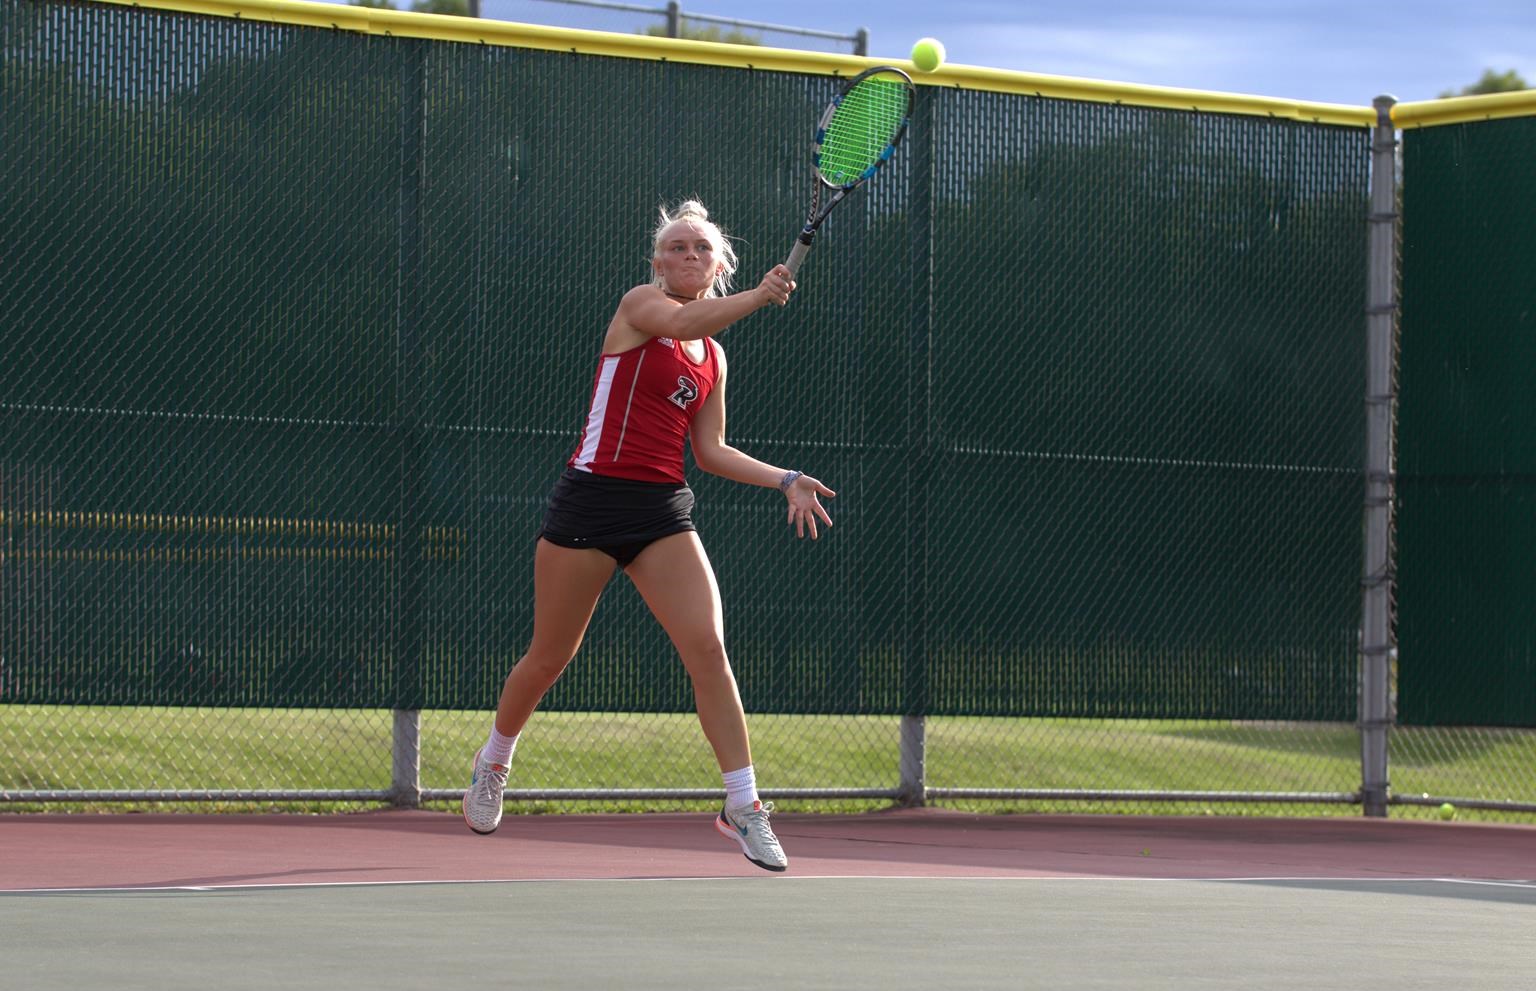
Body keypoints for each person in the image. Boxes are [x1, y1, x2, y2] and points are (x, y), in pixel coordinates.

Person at [462, 200, 836, 872]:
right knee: (549, 657)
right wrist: (757, 296)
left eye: (702, 249)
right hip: (589, 503)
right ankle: (494, 759)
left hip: (662, 512)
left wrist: (786, 477)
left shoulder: (713, 357)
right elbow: (685, 318)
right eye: (677, 247)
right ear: (658, 263)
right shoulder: (641, 307)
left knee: (709, 648)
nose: (689, 256)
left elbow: (713, 450)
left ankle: (743, 806)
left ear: (718, 264)